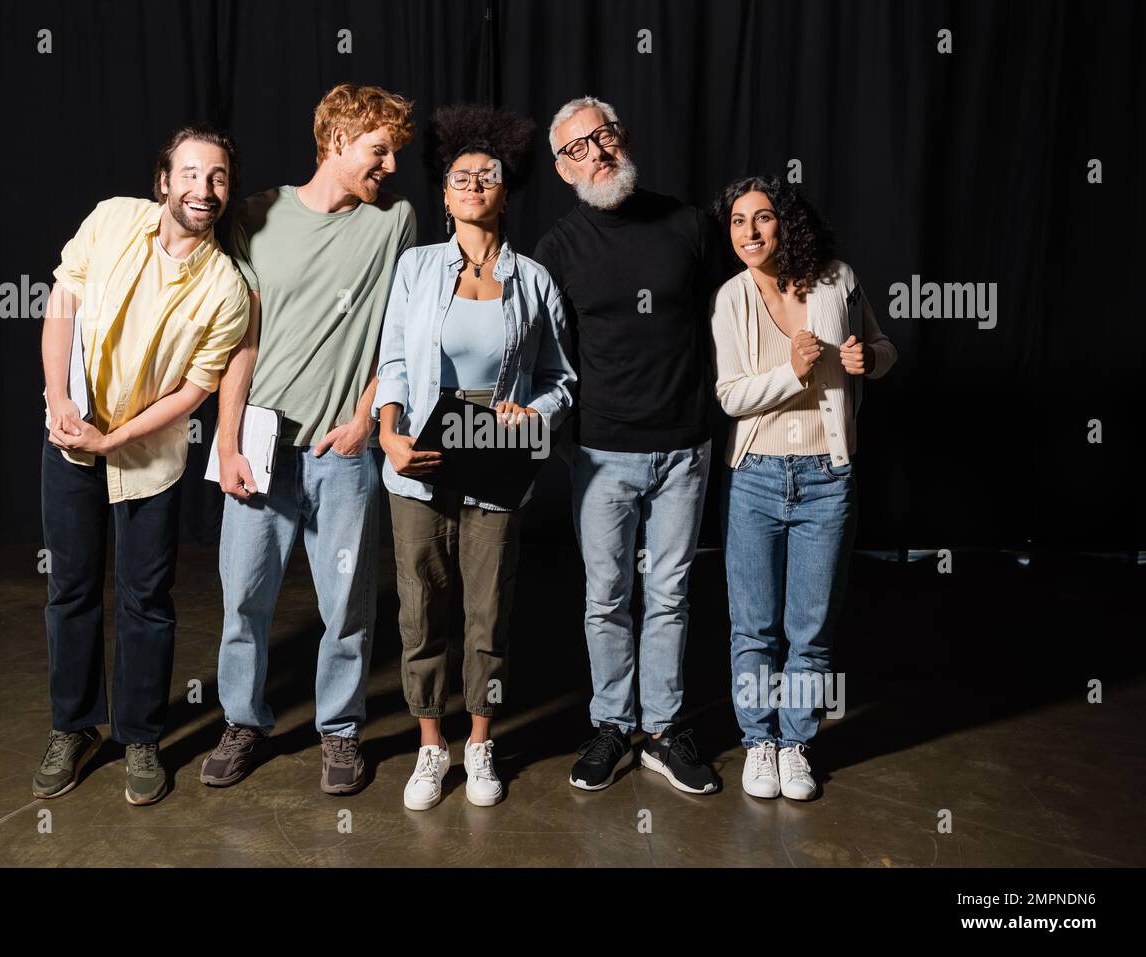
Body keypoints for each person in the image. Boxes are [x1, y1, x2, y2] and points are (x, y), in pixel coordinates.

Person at [201, 83, 416, 795]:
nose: (390, 164)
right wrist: (227, 441)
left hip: (342, 451)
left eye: (396, 152)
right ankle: (243, 720)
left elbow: (398, 336)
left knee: (347, 602)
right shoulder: (259, 215)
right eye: (378, 148)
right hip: (262, 443)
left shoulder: (395, 224)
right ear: (335, 142)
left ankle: (340, 731)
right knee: (244, 596)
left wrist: (363, 418)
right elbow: (242, 339)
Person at [35, 124, 250, 806]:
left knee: (145, 601)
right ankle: (74, 728)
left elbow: (195, 390)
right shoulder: (111, 219)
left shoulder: (227, 288)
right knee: (69, 589)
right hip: (70, 437)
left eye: (216, 178)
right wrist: (57, 396)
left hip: (149, 457)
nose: (203, 189)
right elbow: (62, 300)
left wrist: (116, 437)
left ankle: (139, 736)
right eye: (190, 174)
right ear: (164, 180)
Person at [373, 105, 576, 810]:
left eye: (485, 176)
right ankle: (431, 745)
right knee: (421, 608)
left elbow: (560, 379)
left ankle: (480, 740)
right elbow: (394, 358)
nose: (471, 184)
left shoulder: (536, 280)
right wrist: (389, 432)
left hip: (495, 459)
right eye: (459, 176)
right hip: (422, 456)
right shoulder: (417, 267)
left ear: (504, 190)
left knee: (488, 612)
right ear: (445, 192)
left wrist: (535, 412)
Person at [534, 96, 721, 795]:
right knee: (605, 596)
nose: (597, 152)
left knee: (670, 593)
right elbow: (547, 356)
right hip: (602, 452)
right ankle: (613, 723)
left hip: (684, 445)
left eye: (603, 136)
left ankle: (665, 731)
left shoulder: (687, 224)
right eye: (578, 148)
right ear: (562, 168)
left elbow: (730, 317)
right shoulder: (557, 248)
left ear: (623, 136)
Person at [711, 175, 897, 801]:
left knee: (811, 630)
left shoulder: (836, 278)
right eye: (738, 221)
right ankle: (758, 743)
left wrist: (870, 361)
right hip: (757, 475)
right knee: (754, 626)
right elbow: (731, 395)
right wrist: (790, 372)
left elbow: (883, 345)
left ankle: (796, 744)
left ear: (787, 223)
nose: (750, 232)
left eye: (762, 218)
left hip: (827, 476)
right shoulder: (731, 298)